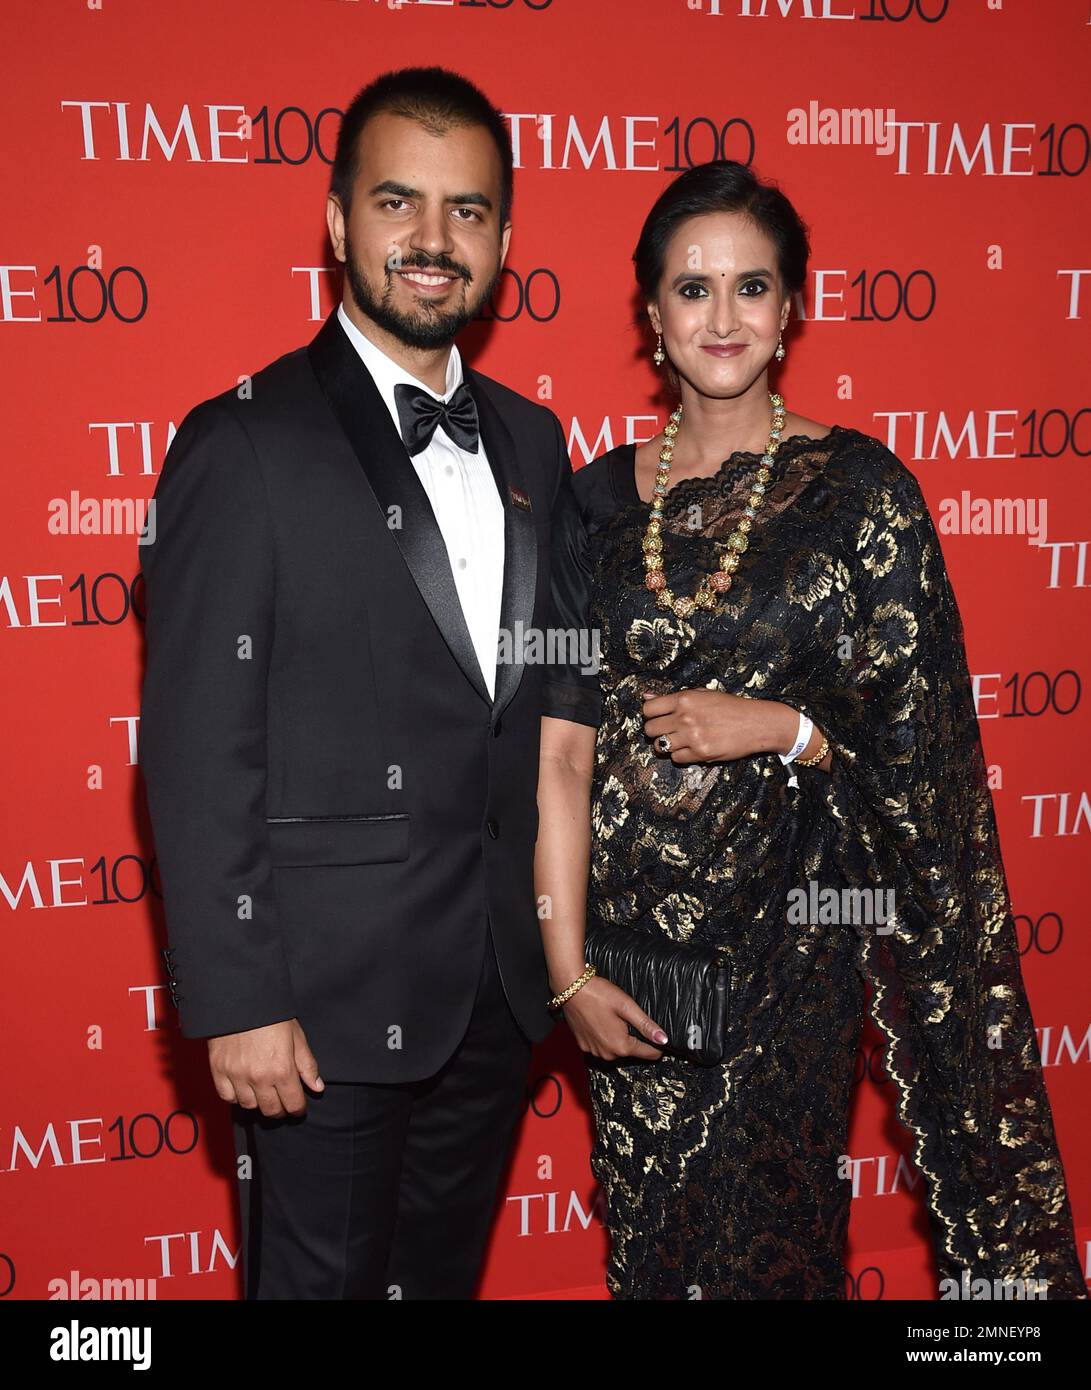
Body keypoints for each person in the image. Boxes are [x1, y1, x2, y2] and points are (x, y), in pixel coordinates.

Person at [535, 158, 1087, 1300]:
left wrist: (780, 726)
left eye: (750, 287)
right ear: (649, 313)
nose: (720, 317)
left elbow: (918, 754)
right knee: (657, 1265)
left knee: (770, 1257)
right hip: (632, 966)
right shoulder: (588, 502)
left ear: (790, 310)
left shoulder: (858, 493)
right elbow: (559, 752)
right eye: (692, 289)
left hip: (792, 954)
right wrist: (565, 973)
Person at [138, 66, 571, 1299]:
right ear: (336, 224)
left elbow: (536, 711)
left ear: (502, 239)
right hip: (315, 1012)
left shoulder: (535, 441)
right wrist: (236, 999)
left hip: (491, 992)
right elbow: (192, 740)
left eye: (468, 211)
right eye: (398, 204)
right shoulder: (243, 440)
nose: (433, 241)